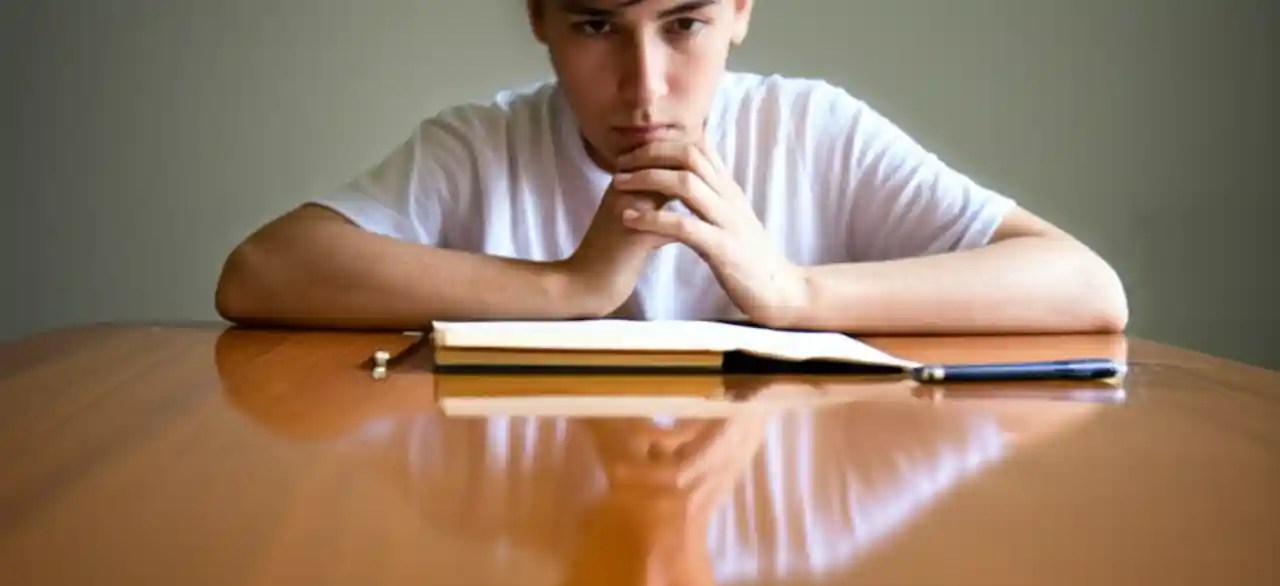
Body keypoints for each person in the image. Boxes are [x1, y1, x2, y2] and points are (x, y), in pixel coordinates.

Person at [215, 0, 1129, 334]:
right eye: (595, 25)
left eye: (683, 23)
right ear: (537, 17)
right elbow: (260, 273)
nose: (643, 89)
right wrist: (569, 287)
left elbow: (1088, 288)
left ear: (740, 10)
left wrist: (794, 294)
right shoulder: (482, 146)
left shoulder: (814, 130)